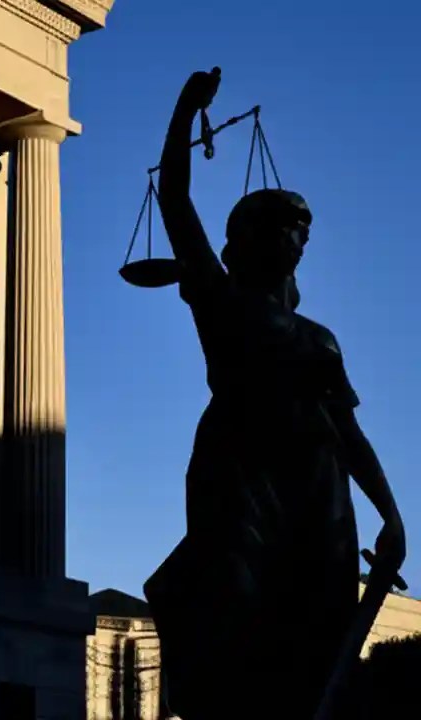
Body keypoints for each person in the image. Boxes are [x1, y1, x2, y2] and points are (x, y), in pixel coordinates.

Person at [142, 68, 407, 720]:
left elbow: (348, 432)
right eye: (279, 227)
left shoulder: (321, 338)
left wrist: (391, 514)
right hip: (242, 476)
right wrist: (185, 111)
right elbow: (173, 198)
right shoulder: (222, 301)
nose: (293, 239)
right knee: (231, 625)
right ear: (245, 242)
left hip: (318, 492)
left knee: (315, 640)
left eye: (300, 232)